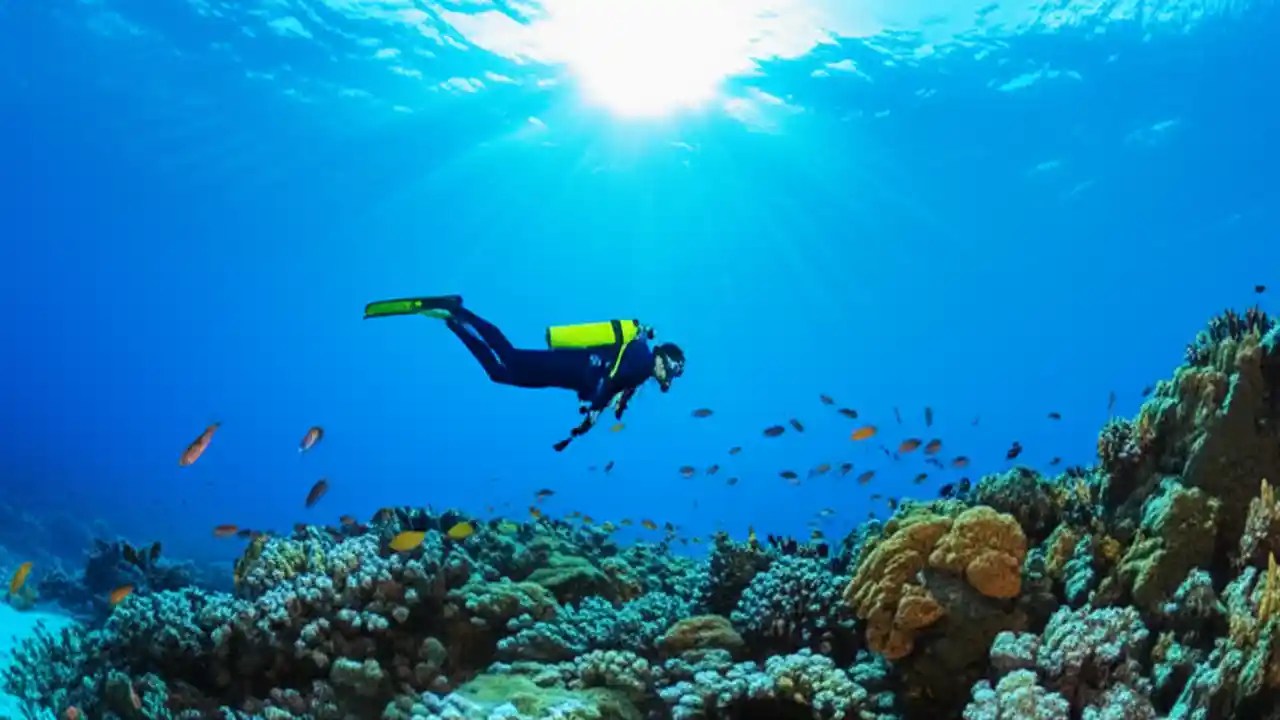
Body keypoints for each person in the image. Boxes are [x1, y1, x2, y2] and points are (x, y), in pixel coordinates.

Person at [363, 294, 685, 450]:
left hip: (566, 376)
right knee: (510, 357)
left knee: (501, 373)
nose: (669, 378)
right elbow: (610, 382)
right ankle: (457, 310)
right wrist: (592, 414)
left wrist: (588, 420)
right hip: (571, 367)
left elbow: (614, 388)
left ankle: (454, 322)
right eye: (673, 370)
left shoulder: (641, 367)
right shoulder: (643, 357)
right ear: (665, 359)